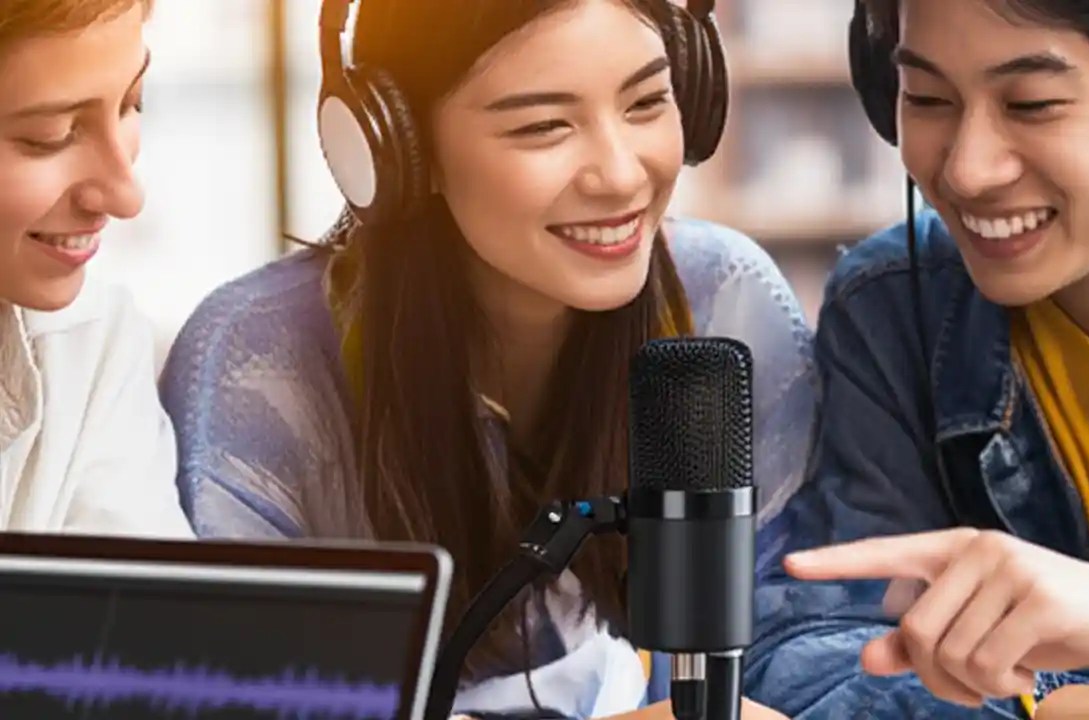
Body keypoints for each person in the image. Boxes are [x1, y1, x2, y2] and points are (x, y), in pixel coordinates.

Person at [159, 0, 813, 717]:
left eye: (647, 101)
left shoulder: (724, 305)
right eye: (543, 127)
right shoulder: (258, 368)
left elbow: (789, 641)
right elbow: (233, 700)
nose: (622, 175)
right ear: (394, 149)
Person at [744, 0, 1089, 717]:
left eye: (1032, 104)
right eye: (927, 99)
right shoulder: (892, 309)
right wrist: (1048, 709)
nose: (967, 170)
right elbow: (811, 657)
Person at [0, 0, 192, 537]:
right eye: (51, 136)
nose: (127, 197)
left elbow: (151, 614)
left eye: (133, 102)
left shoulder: (90, 346)